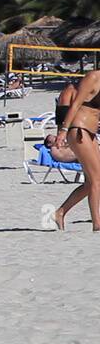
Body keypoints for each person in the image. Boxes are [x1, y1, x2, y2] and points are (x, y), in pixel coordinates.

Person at [54, 71, 100, 231]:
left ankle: (60, 212)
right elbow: (75, 105)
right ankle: (97, 224)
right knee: (96, 180)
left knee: (91, 183)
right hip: (78, 129)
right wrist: (62, 131)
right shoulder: (93, 77)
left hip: (90, 132)